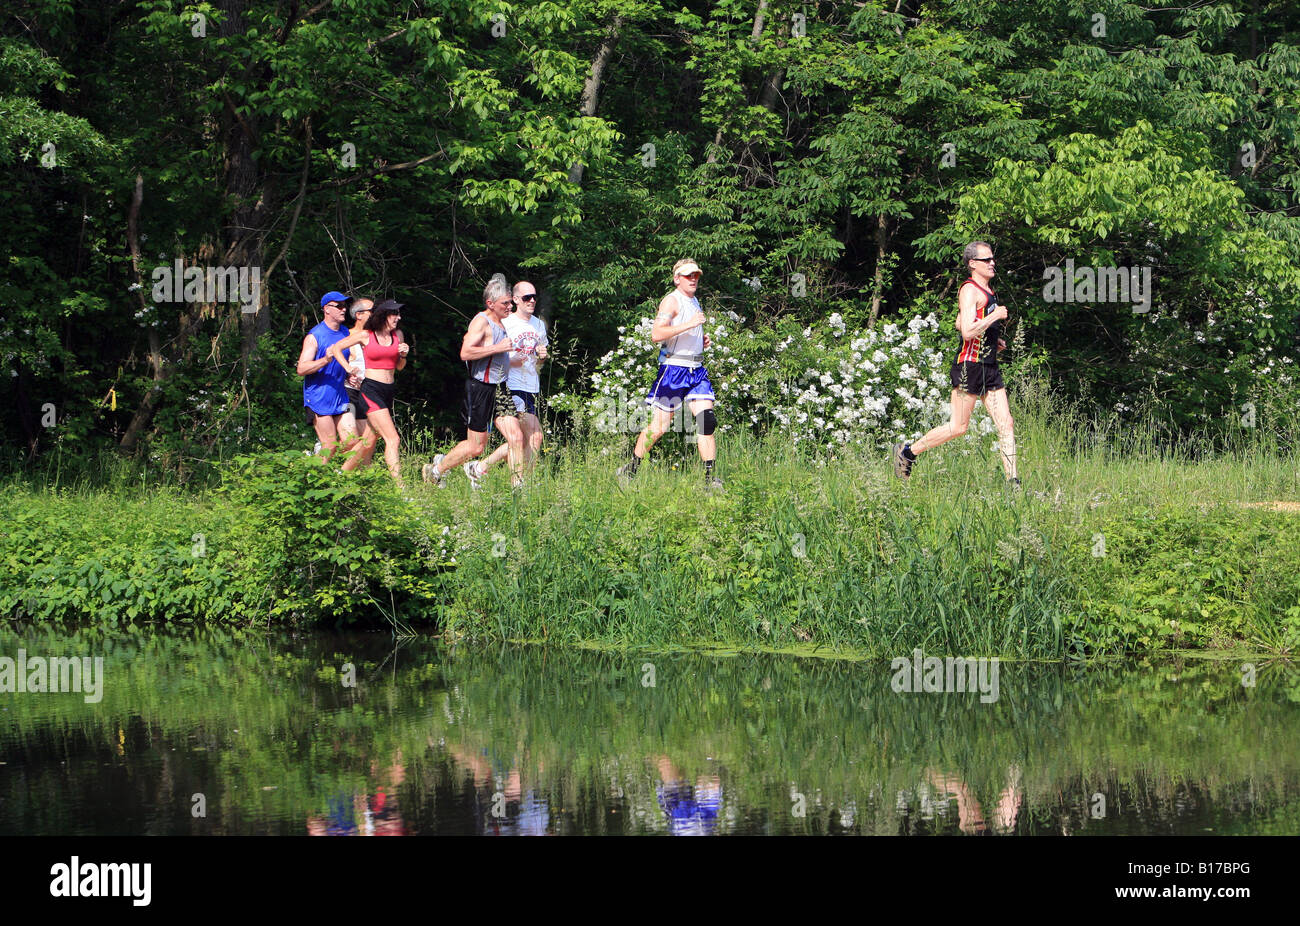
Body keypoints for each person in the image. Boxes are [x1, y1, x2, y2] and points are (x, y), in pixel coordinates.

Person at [892, 241, 1019, 487]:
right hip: (969, 366)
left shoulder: (988, 291)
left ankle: (1013, 483)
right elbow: (968, 332)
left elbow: (960, 322)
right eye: (987, 260)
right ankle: (907, 453)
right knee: (958, 427)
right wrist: (994, 316)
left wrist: (995, 339)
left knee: (1006, 423)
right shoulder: (969, 290)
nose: (993, 263)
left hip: (989, 366)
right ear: (973, 264)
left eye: (993, 259)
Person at [616, 259, 723, 490]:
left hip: (697, 370)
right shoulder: (671, 300)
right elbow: (657, 334)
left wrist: (700, 341)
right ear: (677, 278)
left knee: (707, 421)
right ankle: (631, 469)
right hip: (674, 371)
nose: (693, 279)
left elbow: (683, 334)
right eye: (688, 276)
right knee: (660, 427)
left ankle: (709, 481)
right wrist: (689, 325)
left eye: (696, 275)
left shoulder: (694, 301)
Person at [422, 275, 526, 488]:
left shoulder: (502, 322)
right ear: (491, 304)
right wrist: (499, 348)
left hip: (500, 387)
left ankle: (519, 489)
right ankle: (436, 470)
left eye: (510, 302)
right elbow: (465, 352)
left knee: (516, 437)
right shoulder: (481, 321)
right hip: (480, 388)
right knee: (476, 447)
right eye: (505, 303)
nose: (510, 306)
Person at [463, 280, 548, 487]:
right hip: (509, 384)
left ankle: (480, 467)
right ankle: (520, 485)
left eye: (534, 297)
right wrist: (511, 361)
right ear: (516, 300)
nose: (532, 301)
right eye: (527, 297)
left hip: (531, 385)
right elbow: (487, 352)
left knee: (527, 439)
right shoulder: (506, 321)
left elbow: (539, 356)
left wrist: (542, 356)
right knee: (531, 436)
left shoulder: (538, 324)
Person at [327, 299, 410, 483]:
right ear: (384, 316)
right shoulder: (366, 335)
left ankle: (340, 475)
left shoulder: (398, 335)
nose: (398, 317)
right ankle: (401, 489)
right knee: (393, 439)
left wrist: (403, 355)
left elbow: (400, 367)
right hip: (371, 389)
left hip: (388, 390)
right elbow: (337, 348)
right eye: (394, 314)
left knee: (368, 441)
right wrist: (348, 368)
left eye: (398, 313)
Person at [296, 291, 353, 459]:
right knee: (329, 447)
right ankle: (311, 477)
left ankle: (336, 475)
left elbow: (344, 362)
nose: (344, 310)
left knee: (352, 442)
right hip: (318, 397)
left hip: (340, 395)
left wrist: (350, 375)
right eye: (339, 306)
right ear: (326, 309)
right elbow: (301, 369)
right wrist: (325, 360)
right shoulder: (315, 336)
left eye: (345, 306)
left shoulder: (345, 333)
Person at [337, 296, 374, 457]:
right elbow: (334, 359)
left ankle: (362, 478)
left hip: (368, 392)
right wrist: (346, 374)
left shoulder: (375, 335)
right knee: (351, 439)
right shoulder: (346, 335)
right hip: (348, 391)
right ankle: (325, 453)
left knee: (366, 441)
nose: (376, 314)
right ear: (359, 315)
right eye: (372, 311)